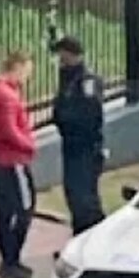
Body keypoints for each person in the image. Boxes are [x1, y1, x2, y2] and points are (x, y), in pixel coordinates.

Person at [0, 51, 37, 278]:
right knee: (24, 208)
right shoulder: (8, 96)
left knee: (6, 209)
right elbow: (8, 129)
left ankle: (9, 260)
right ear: (19, 67)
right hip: (13, 160)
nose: (28, 76)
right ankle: (11, 260)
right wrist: (28, 145)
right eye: (27, 70)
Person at [51, 36, 106, 235]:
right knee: (73, 194)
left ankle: (94, 238)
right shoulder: (67, 79)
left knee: (86, 199)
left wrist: (67, 120)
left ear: (72, 54)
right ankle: (79, 238)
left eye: (63, 55)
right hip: (71, 147)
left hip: (86, 147)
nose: (60, 60)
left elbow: (91, 113)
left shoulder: (87, 81)